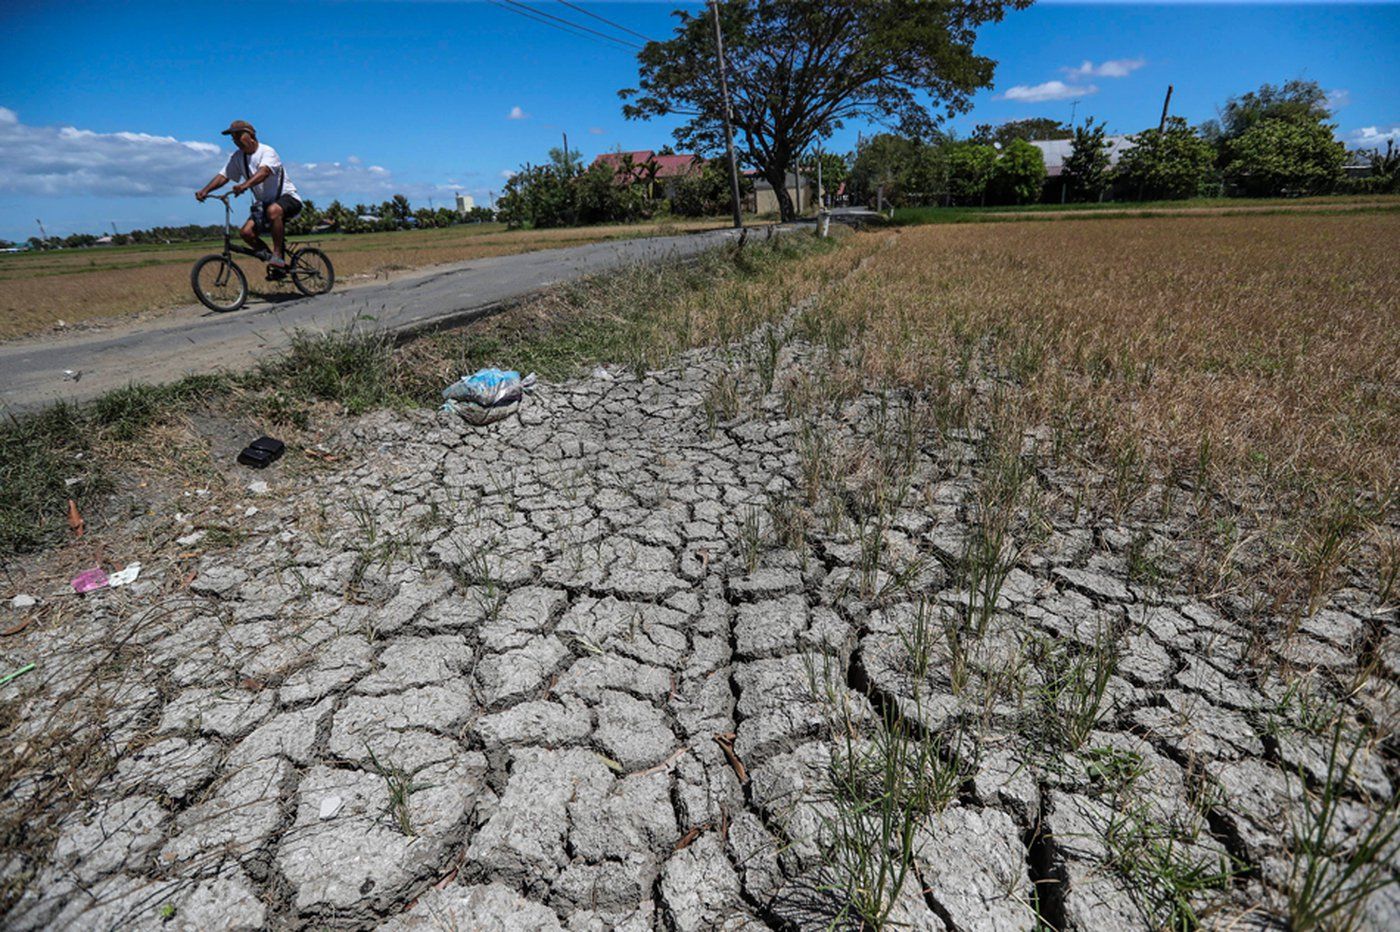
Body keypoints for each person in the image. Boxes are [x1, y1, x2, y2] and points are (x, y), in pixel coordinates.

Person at [195, 120, 303, 270]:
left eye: (239, 135)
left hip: (288, 199)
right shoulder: (238, 157)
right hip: (265, 205)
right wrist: (205, 191)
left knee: (274, 210)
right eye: (233, 137)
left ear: (251, 135)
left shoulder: (267, 152)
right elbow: (224, 176)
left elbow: (264, 172)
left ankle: (277, 255)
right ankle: (276, 264)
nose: (235, 140)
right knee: (246, 233)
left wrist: (244, 185)